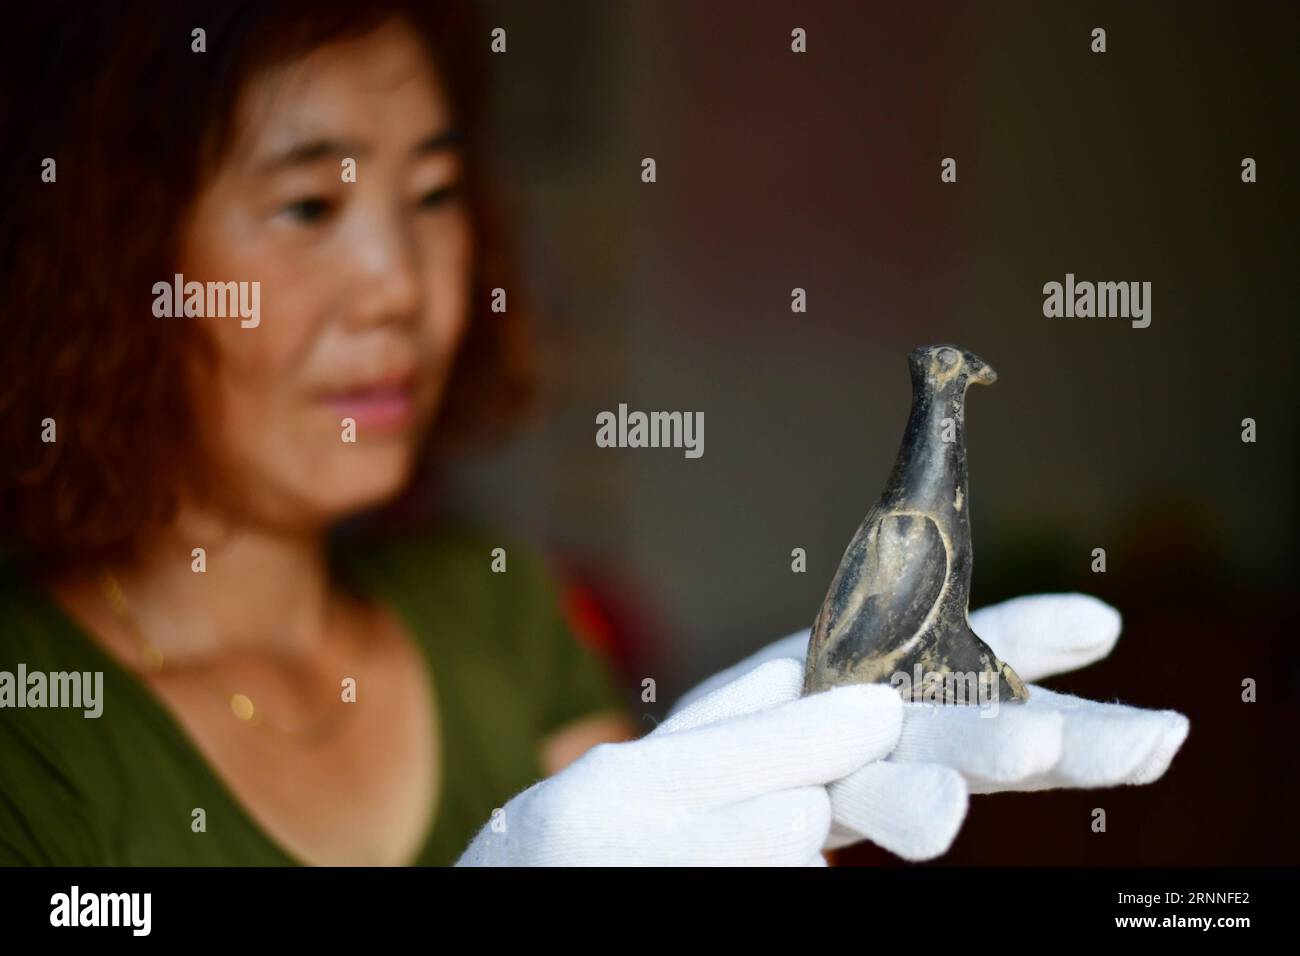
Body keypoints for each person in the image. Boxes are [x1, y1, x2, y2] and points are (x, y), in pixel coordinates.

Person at [0, 1, 1189, 868]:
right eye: (308, 204)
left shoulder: (491, 604)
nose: (399, 288)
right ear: (112, 255)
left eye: (433, 197)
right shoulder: (32, 721)